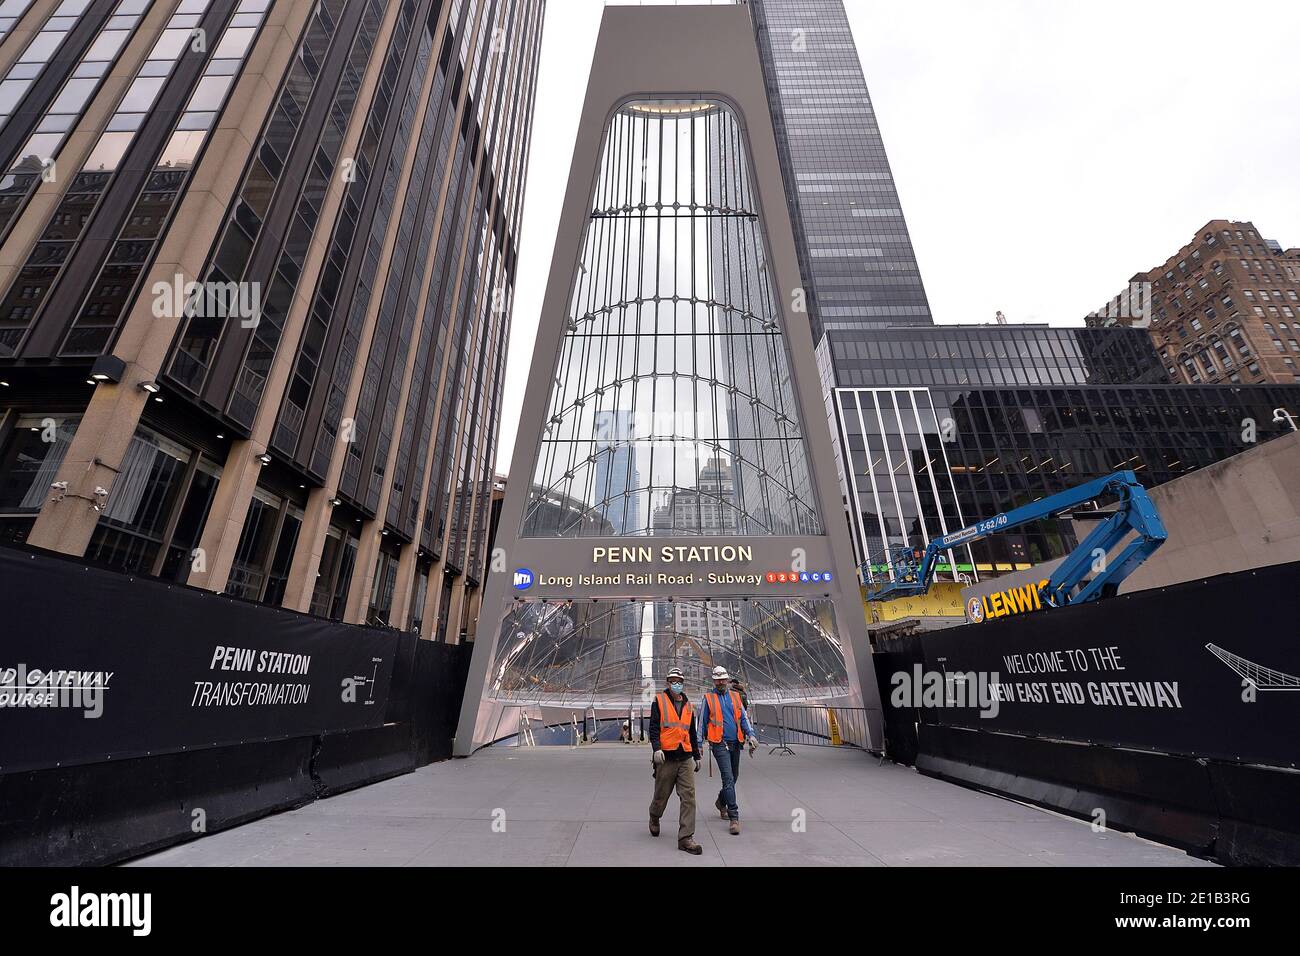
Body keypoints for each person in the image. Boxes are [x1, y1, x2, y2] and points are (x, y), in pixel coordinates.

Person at [648, 666, 703, 855]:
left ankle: (686, 838)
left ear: (683, 683)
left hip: (685, 756)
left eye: (679, 681)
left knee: (688, 797)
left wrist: (696, 755)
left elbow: (692, 733)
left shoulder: (689, 706)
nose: (676, 684)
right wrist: (656, 748)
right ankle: (654, 816)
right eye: (673, 681)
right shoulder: (660, 701)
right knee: (661, 796)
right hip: (666, 757)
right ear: (667, 682)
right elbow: (654, 727)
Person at [700, 666, 756, 835]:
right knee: (728, 778)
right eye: (717, 679)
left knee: (734, 777)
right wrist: (698, 744)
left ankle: (720, 801)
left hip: (735, 743)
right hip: (719, 744)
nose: (720, 682)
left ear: (727, 680)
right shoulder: (708, 699)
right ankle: (734, 817)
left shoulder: (735, 697)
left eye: (723, 679)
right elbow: (701, 723)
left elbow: (743, 718)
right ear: (714, 681)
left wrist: (751, 735)